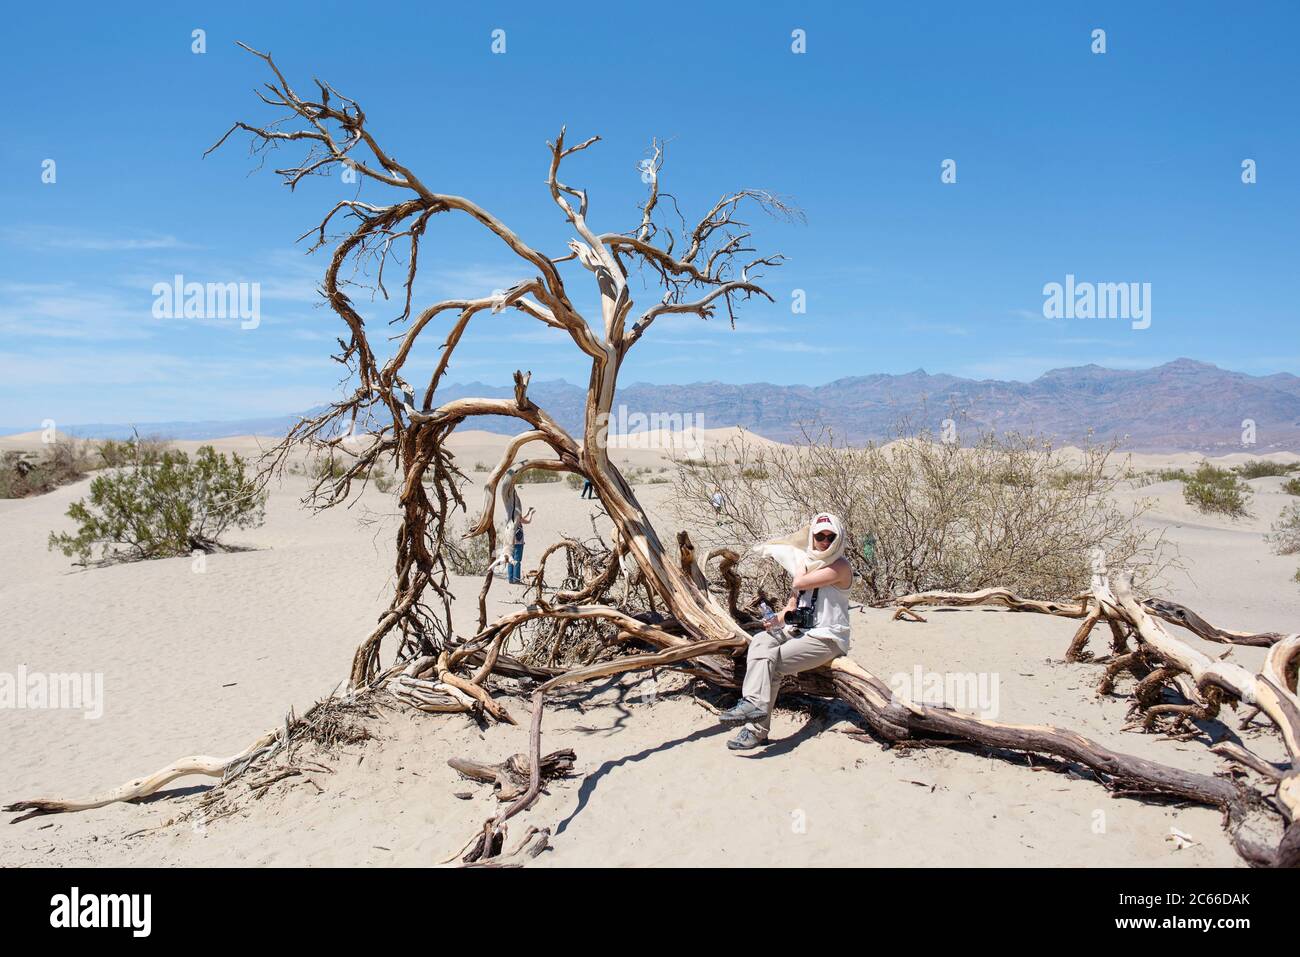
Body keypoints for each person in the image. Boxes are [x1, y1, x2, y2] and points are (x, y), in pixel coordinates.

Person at [718, 512, 853, 750]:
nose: (824, 541)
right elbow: (793, 605)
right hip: (799, 630)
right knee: (760, 641)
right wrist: (778, 619)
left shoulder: (839, 566)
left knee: (773, 663)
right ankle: (752, 703)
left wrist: (800, 564)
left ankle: (755, 729)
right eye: (819, 536)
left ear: (838, 539)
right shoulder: (807, 564)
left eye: (830, 537)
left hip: (827, 637)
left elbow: (799, 583)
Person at [506, 507, 535, 584]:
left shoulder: (510, 518)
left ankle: (510, 578)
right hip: (518, 543)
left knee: (510, 560)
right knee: (517, 561)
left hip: (510, 543)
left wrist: (528, 512)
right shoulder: (518, 519)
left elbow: (522, 518)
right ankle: (516, 579)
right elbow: (528, 521)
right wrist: (531, 514)